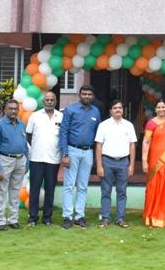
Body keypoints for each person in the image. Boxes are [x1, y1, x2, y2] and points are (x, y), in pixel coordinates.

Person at [59, 84, 101, 229]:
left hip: (88, 152)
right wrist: (65, 154)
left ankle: (79, 216)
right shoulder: (70, 110)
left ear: (92, 96)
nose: (87, 96)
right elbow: (63, 132)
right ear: (79, 95)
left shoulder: (96, 111)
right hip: (72, 151)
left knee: (83, 186)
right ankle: (67, 216)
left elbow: (98, 134)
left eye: (89, 94)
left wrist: (96, 155)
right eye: (84, 94)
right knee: (69, 185)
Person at [94, 99, 137, 228]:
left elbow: (132, 146)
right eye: (115, 108)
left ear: (123, 110)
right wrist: (99, 165)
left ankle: (120, 218)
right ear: (110, 111)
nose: (118, 110)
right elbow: (99, 146)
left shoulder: (129, 125)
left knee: (122, 192)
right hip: (107, 161)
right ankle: (105, 218)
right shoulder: (104, 125)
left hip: (123, 162)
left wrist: (131, 165)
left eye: (120, 108)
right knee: (106, 191)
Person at [0, 99, 29, 230]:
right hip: (5, 160)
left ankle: (13, 219)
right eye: (10, 108)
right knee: (1, 191)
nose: (13, 111)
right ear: (5, 110)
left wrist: (26, 161)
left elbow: (25, 144)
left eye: (15, 109)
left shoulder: (21, 124)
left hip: (20, 160)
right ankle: (0, 221)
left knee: (15, 191)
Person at [25, 90, 62, 227]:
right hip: (36, 158)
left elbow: (63, 136)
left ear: (55, 101)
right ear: (43, 101)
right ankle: (33, 217)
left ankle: (47, 218)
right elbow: (28, 135)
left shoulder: (61, 116)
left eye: (52, 100)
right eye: (47, 100)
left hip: (54, 158)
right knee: (34, 188)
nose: (49, 102)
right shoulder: (35, 116)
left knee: (50, 189)